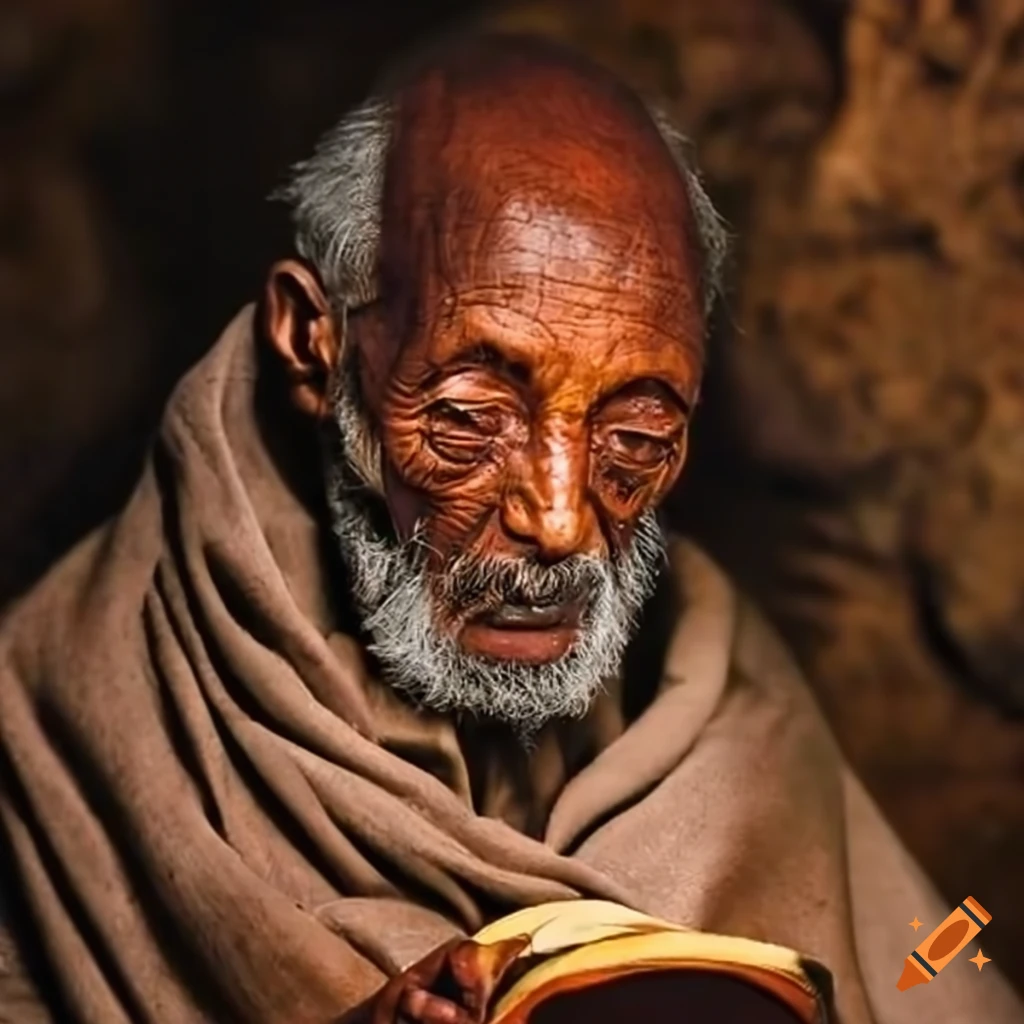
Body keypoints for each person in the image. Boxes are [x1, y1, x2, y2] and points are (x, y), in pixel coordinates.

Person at [0, 33, 1019, 1024]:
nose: (562, 519)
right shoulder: (58, 712)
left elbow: (939, 963)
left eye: (636, 433)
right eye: (470, 419)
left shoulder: (730, 691)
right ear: (314, 342)